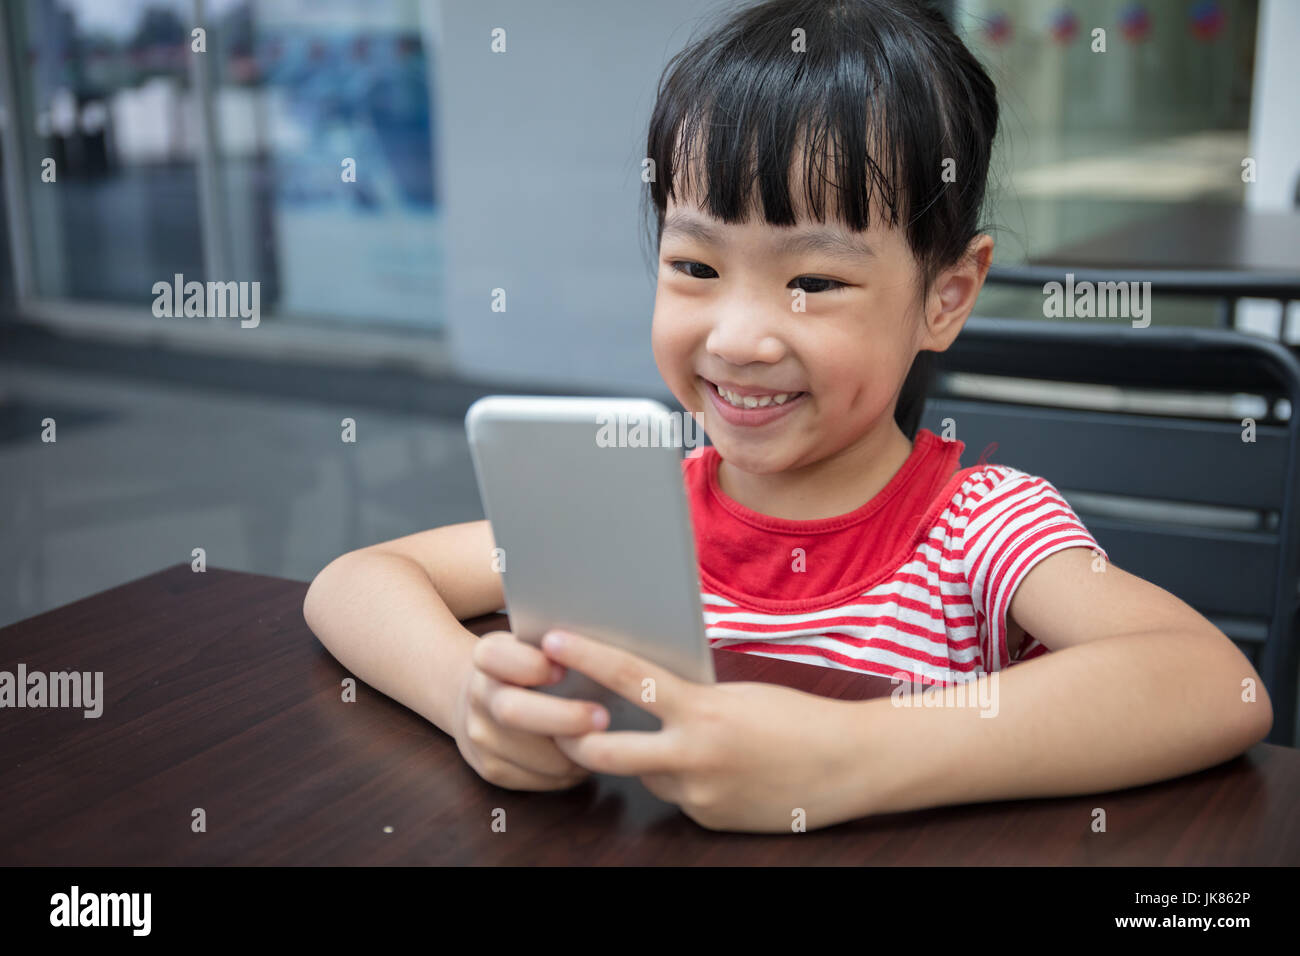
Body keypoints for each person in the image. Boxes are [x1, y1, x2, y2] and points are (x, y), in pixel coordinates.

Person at [303, 0, 1272, 833]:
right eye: (694, 267)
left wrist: (845, 752)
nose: (739, 335)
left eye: (812, 279)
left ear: (945, 294)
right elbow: (353, 580)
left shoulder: (981, 526)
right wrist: (467, 697)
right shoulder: (640, 508)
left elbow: (1212, 684)